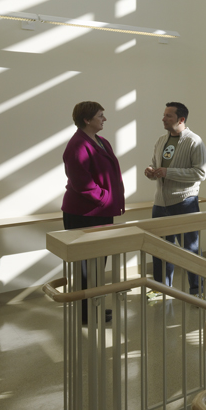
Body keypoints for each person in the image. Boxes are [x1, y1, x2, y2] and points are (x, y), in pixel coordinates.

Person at [62, 101, 125, 323]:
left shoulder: (101, 141)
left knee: (99, 264)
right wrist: (106, 198)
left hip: (101, 211)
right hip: (85, 214)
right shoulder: (77, 145)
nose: (104, 119)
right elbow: (82, 183)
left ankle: (94, 306)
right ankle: (85, 313)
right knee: (86, 268)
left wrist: (110, 202)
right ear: (87, 120)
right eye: (100, 115)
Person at [144, 102, 206, 295]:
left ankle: (197, 291)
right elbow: (156, 165)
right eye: (164, 115)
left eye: (168, 116)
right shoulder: (161, 141)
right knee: (160, 250)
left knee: (190, 250)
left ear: (181, 119)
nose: (163, 118)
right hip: (160, 204)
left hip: (184, 202)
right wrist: (151, 171)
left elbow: (200, 173)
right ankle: (161, 289)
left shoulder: (194, 141)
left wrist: (168, 172)